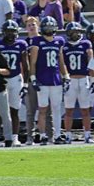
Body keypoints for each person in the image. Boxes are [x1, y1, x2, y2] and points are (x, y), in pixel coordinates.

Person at [29, 16, 69, 145]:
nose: (49, 30)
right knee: (42, 109)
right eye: (47, 27)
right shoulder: (37, 41)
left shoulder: (59, 41)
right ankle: (42, 135)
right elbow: (33, 62)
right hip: (42, 79)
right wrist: (33, 78)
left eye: (51, 27)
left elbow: (61, 61)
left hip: (56, 79)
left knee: (57, 109)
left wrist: (66, 76)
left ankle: (57, 135)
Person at [0, 20, 28, 147]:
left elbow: (25, 65)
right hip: (1, 79)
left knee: (14, 109)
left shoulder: (21, 44)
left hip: (15, 79)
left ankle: (14, 137)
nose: (10, 34)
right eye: (8, 32)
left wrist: (26, 84)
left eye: (12, 32)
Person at [62, 22, 94, 144]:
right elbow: (62, 64)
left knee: (85, 110)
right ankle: (68, 136)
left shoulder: (86, 44)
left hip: (83, 79)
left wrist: (93, 80)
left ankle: (87, 135)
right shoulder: (64, 46)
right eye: (73, 32)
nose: (75, 34)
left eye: (77, 32)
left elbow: (91, 62)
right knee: (69, 110)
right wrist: (64, 78)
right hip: (71, 79)